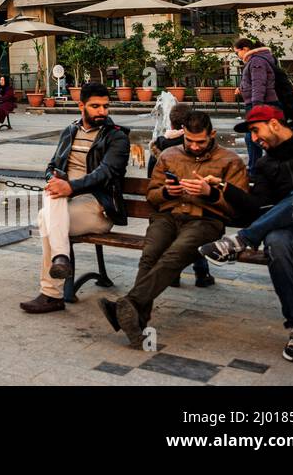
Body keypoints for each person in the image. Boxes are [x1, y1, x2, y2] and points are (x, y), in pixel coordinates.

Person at [198, 105, 293, 364]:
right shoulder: (266, 164)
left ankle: (241, 241)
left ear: (275, 123)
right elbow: (258, 209)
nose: (255, 139)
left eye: (256, 131)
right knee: (275, 240)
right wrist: (221, 189)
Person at [98, 111, 247, 345]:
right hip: (167, 216)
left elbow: (239, 208)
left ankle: (127, 306)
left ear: (212, 135)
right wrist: (167, 192)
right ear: (183, 135)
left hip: (205, 221)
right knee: (150, 255)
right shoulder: (169, 155)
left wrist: (211, 194)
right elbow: (152, 195)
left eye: (201, 141)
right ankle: (136, 322)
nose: (195, 146)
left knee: (173, 255)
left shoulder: (230, 161)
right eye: (190, 140)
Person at [20, 82, 130, 313]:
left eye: (105, 106)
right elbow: (52, 165)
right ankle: (61, 258)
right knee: (53, 193)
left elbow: (106, 173)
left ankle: (52, 292)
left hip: (99, 207)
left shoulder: (117, 138)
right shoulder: (70, 131)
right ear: (81, 106)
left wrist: (70, 187)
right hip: (66, 202)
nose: (102, 111)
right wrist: (54, 178)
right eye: (95, 106)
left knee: (44, 218)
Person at [149, 102, 214, 288]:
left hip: (167, 207)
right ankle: (202, 273)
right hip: (193, 208)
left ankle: (174, 275)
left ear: (171, 124)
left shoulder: (158, 146)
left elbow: (150, 180)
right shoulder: (198, 147)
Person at [235, 37, 282, 171]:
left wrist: (257, 106)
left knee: (253, 137)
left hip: (261, 103)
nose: (237, 56)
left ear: (245, 49)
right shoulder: (257, 59)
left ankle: (256, 168)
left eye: (236, 52)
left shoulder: (256, 60)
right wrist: (242, 88)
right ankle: (259, 167)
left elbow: (259, 83)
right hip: (262, 102)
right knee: (257, 136)